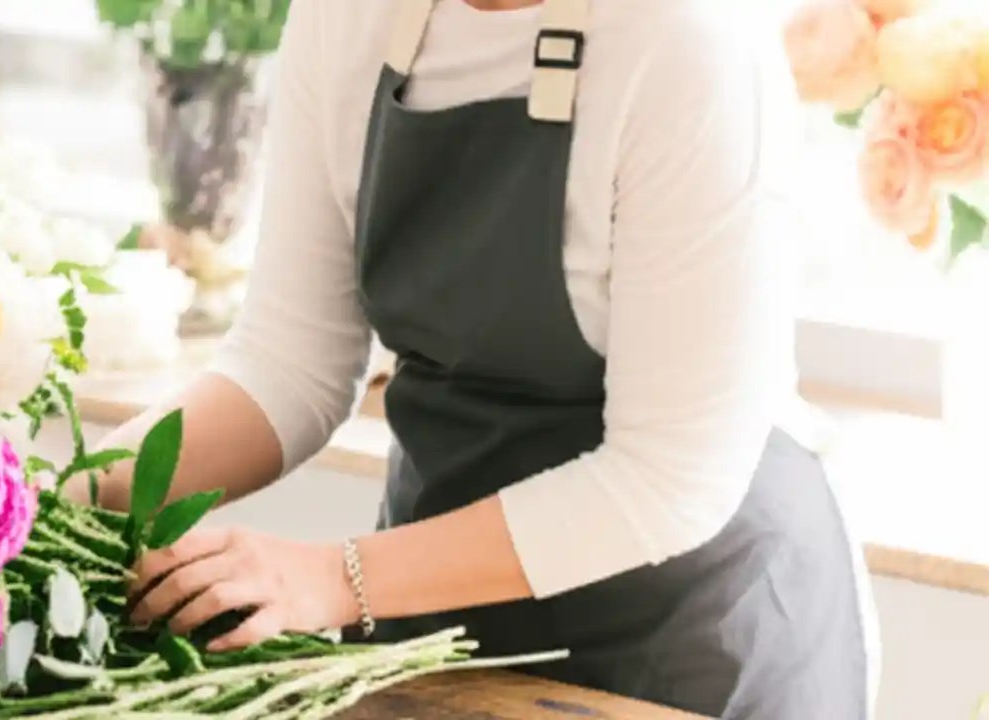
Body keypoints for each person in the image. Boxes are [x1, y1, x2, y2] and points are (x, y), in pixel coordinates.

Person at [67, 0, 877, 716]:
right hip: (441, 606)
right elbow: (290, 364)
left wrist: (331, 579)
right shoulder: (347, 16)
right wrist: (56, 499)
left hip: (694, 631)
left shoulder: (688, 39)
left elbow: (668, 479)